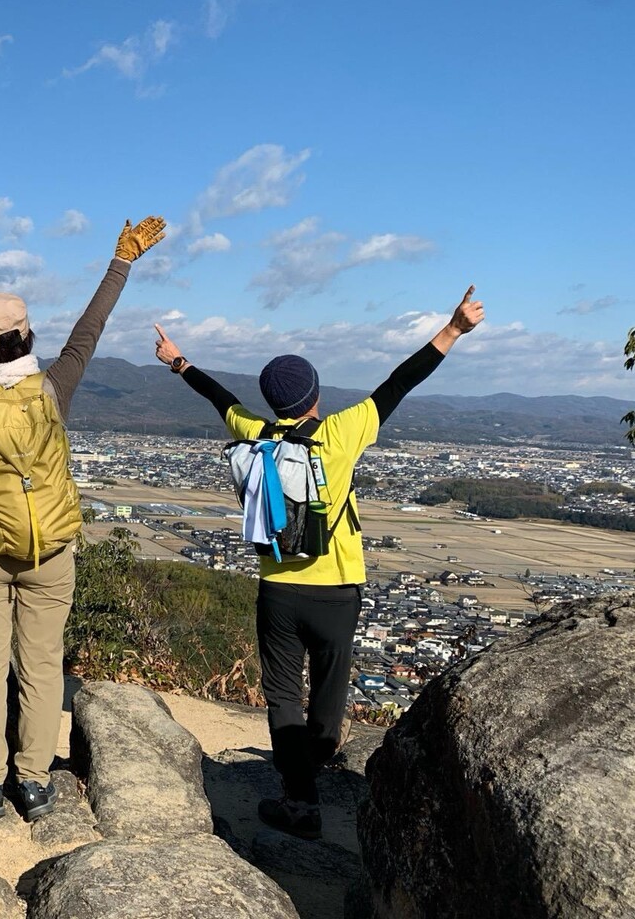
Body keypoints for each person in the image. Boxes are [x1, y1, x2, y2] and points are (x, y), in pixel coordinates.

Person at [153, 285, 485, 840]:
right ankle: (324, 750)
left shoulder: (256, 433)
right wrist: (452, 329)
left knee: (283, 692)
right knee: (331, 682)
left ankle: (299, 799)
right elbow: (399, 382)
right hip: (339, 589)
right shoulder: (339, 433)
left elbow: (218, 397)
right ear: (314, 394)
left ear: (273, 400)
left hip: (278, 588)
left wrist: (177, 362)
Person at [0, 216, 166, 822]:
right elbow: (89, 332)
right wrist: (121, 262)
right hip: (53, 549)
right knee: (40, 665)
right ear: (27, 336)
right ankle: (34, 781)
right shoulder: (54, 387)